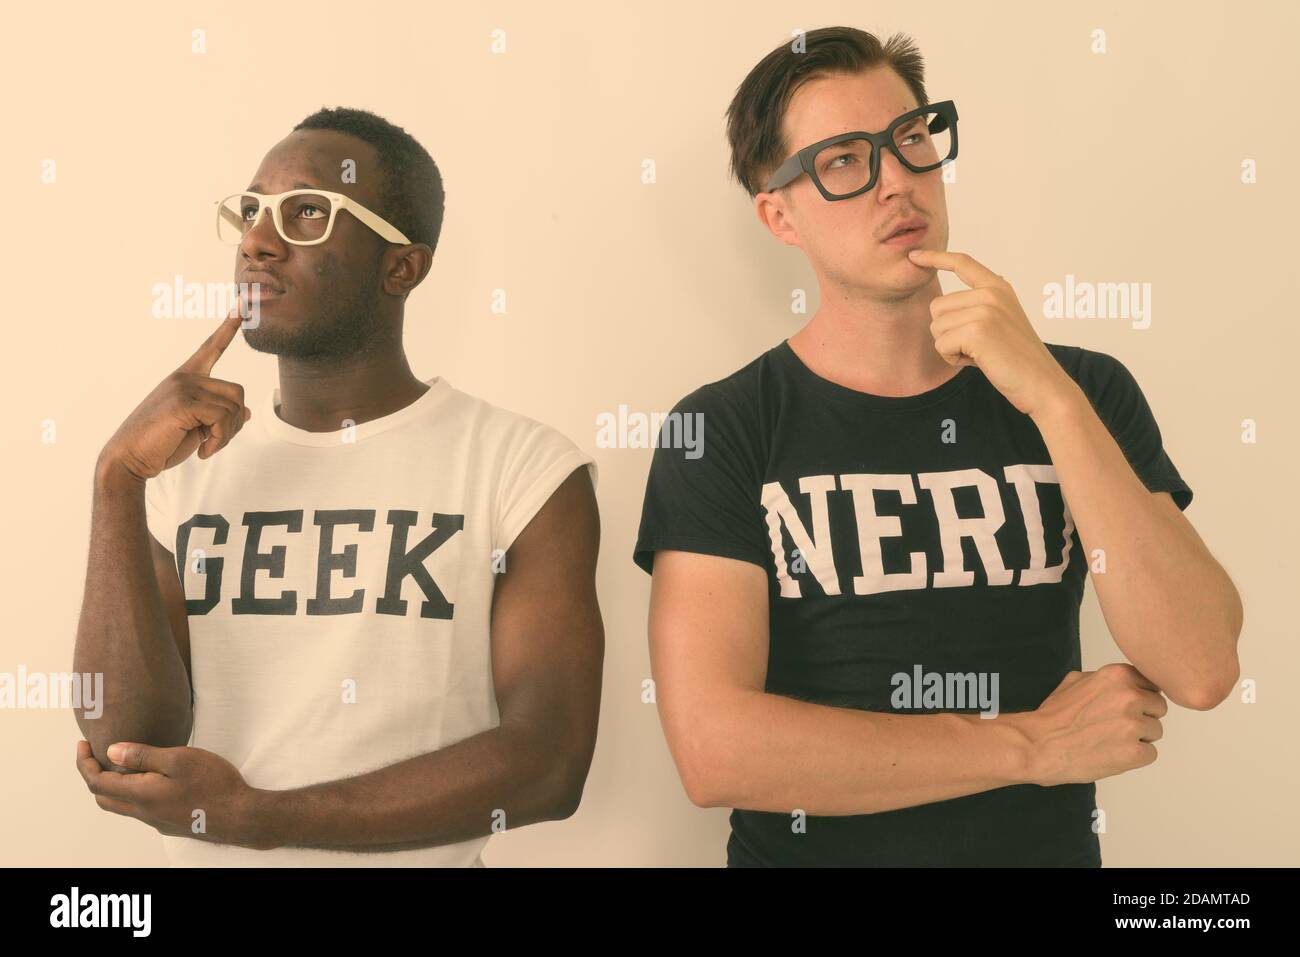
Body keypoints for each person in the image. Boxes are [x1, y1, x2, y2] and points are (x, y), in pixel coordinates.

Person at [633, 27, 1242, 866]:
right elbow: (716, 749)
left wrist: (1050, 399)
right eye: (845, 159)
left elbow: (1202, 665)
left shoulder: (1084, 391)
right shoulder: (724, 429)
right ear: (778, 214)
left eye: (911, 139)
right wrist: (1031, 745)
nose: (896, 180)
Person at [73, 107, 604, 867]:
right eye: (252, 210)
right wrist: (114, 479)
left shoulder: (521, 469)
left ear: (403, 266)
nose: (258, 240)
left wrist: (259, 817)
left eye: (308, 213)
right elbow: (125, 740)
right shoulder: (180, 475)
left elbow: (548, 762)